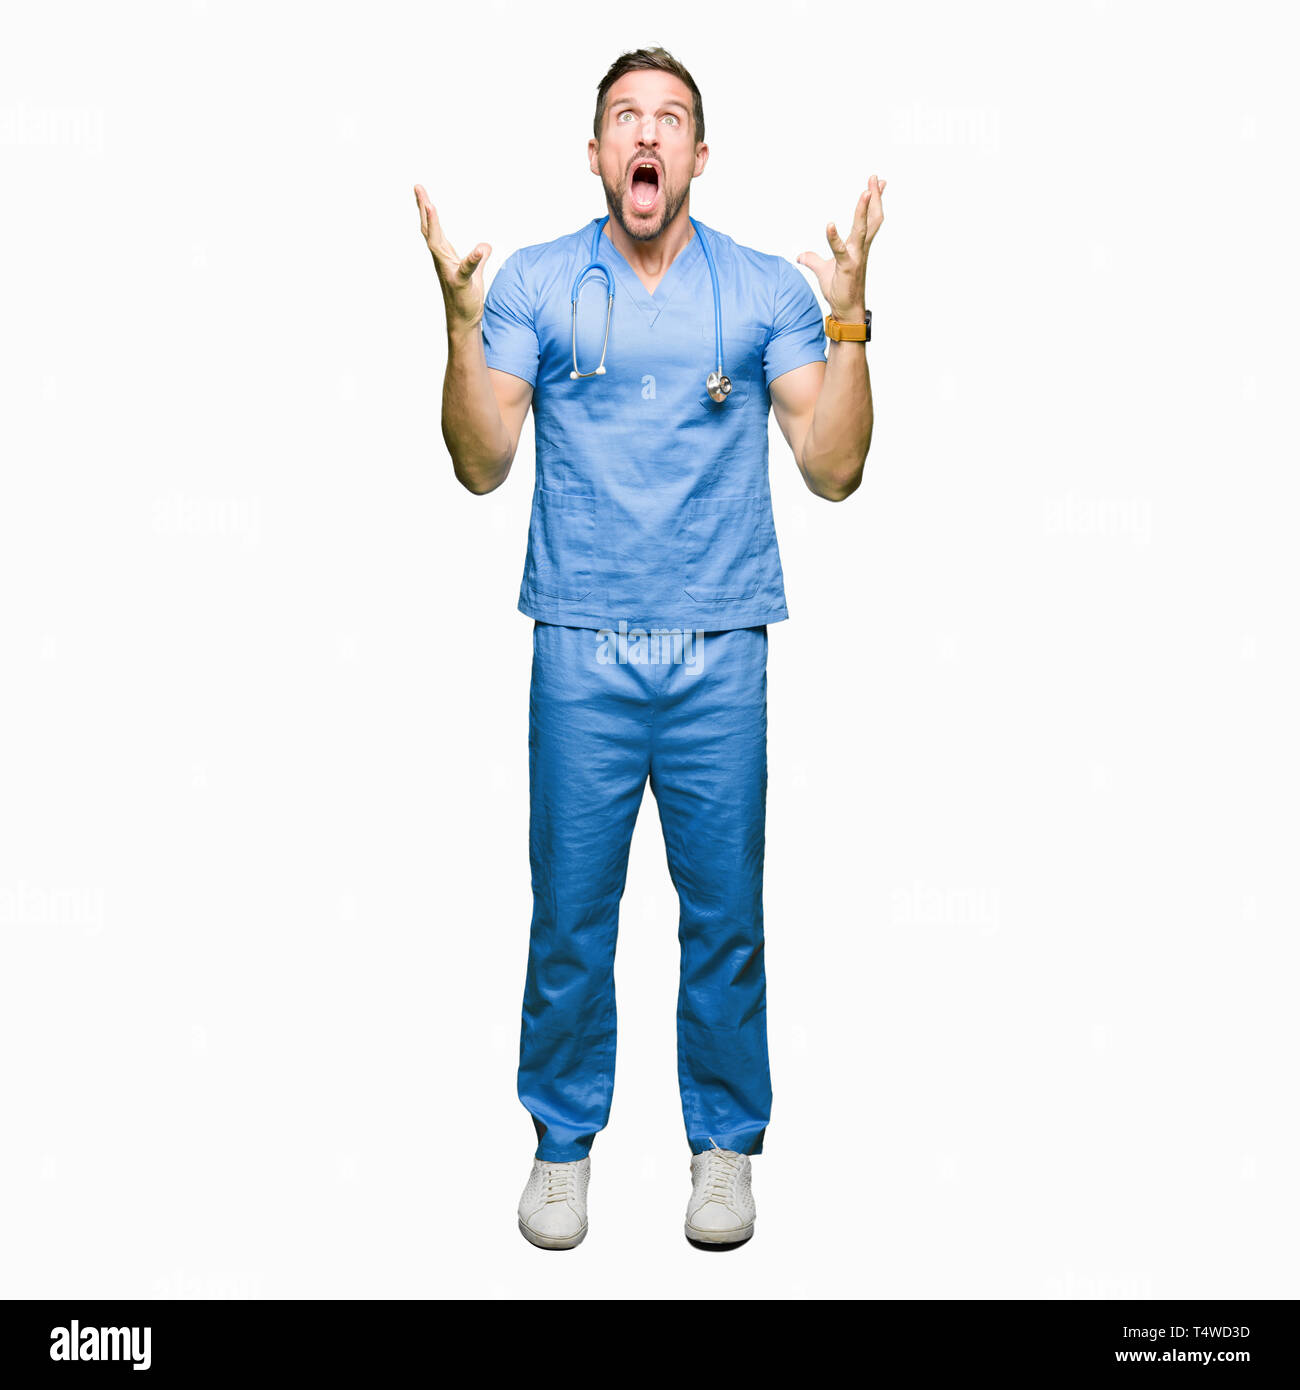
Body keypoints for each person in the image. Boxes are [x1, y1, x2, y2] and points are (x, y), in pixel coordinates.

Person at [414, 46, 884, 1251]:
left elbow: (832, 470)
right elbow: (479, 464)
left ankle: (722, 1147)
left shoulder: (767, 290)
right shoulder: (529, 281)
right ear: (595, 152)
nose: (648, 133)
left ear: (698, 157)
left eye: (671, 118)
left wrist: (848, 318)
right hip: (582, 642)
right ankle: (561, 1147)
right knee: (571, 912)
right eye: (626, 115)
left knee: (723, 914)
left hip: (720, 645)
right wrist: (460, 328)